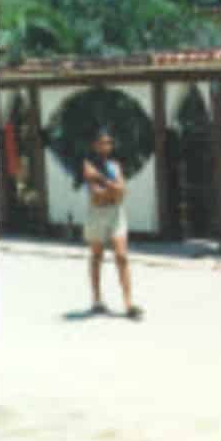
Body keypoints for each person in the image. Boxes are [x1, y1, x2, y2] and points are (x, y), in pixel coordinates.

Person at [80, 130, 142, 319]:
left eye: (108, 142)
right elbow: (96, 195)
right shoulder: (87, 165)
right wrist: (113, 188)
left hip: (116, 214)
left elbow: (122, 192)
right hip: (97, 214)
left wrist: (103, 181)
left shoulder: (115, 165)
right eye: (101, 142)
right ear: (95, 145)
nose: (105, 146)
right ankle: (97, 300)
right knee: (97, 256)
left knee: (122, 256)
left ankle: (129, 303)